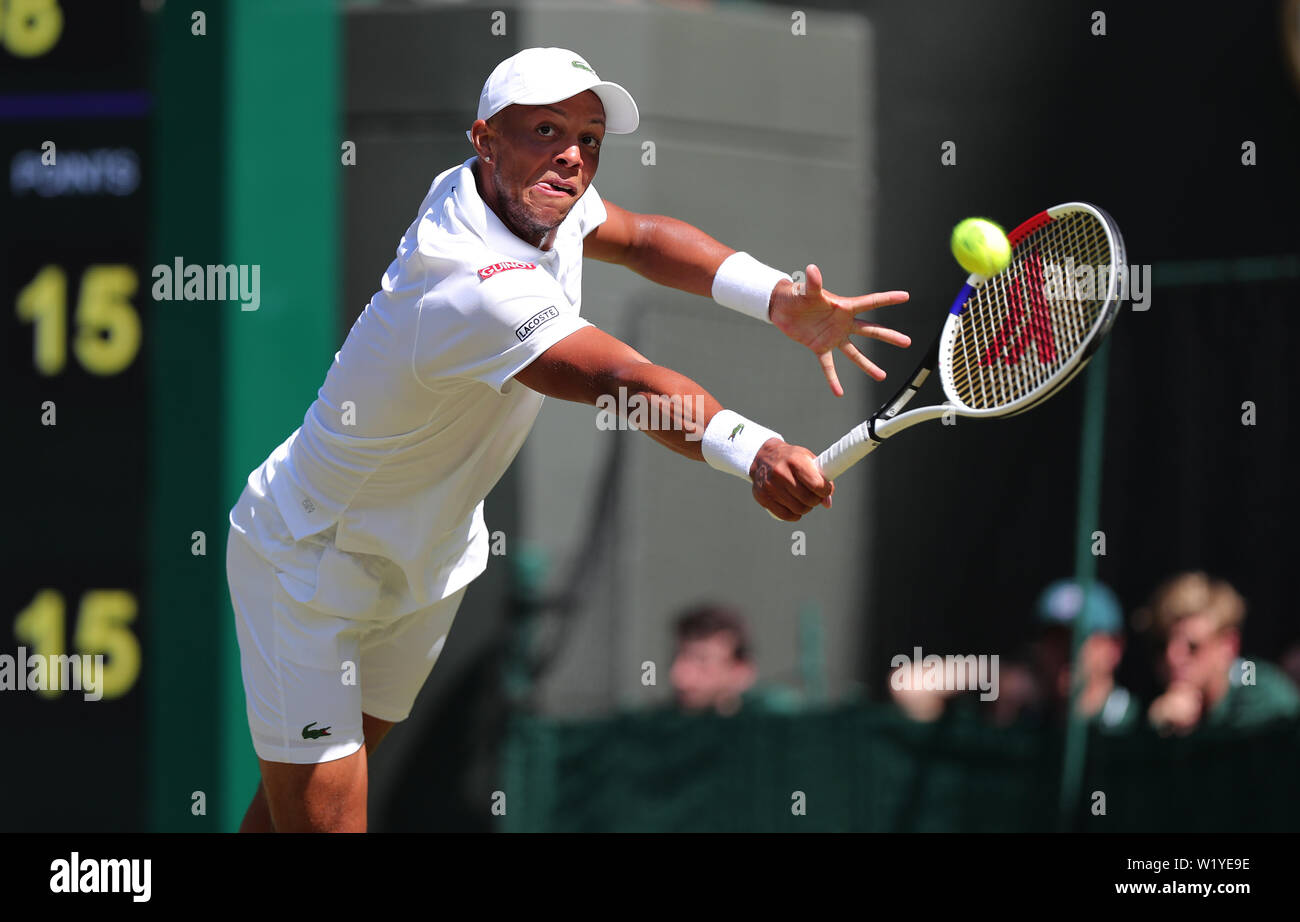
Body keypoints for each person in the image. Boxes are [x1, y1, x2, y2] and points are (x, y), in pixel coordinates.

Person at [225, 47, 911, 832]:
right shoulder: (466, 283)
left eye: (589, 136)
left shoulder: (523, 192)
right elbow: (622, 381)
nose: (573, 157)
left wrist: (780, 299)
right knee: (326, 820)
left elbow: (646, 237)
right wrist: (752, 449)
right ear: (485, 140)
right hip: (310, 560)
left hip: (429, 562)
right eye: (547, 130)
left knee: (293, 812)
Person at [1142, 571, 1300, 735]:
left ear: (1229, 646)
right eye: (1160, 646)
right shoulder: (1151, 701)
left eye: (1192, 646)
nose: (1171, 658)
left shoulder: (1259, 690)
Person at [669, 605, 801, 716]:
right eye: (677, 659)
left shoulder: (774, 714)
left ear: (741, 670)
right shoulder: (663, 722)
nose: (680, 677)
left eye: (702, 661)